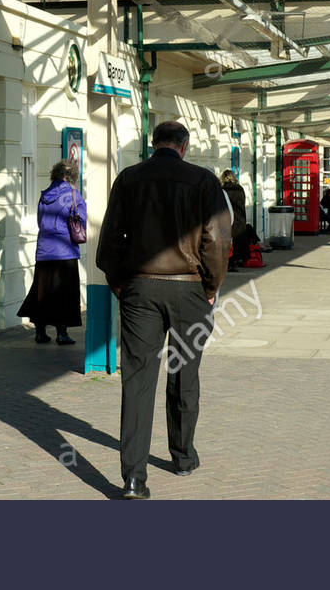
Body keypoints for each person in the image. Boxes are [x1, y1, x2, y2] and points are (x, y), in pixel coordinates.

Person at [96, 120, 230, 500]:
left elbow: (109, 241)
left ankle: (134, 479)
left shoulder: (129, 179)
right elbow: (217, 239)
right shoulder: (203, 181)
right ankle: (183, 456)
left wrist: (123, 285)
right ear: (183, 146)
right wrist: (211, 286)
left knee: (137, 380)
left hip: (140, 287)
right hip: (189, 289)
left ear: (153, 145)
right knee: (185, 373)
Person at [17, 160, 85, 345]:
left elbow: (40, 221)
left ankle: (40, 332)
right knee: (65, 293)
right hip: (65, 251)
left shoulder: (44, 195)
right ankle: (61, 333)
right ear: (69, 177)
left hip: (44, 251)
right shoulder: (72, 195)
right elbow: (82, 220)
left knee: (43, 292)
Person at [221, 170, 248, 269]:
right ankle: (240, 259)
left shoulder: (223, 190)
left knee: (231, 242)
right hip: (240, 218)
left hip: (230, 219)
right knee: (239, 239)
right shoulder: (240, 188)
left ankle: (232, 262)